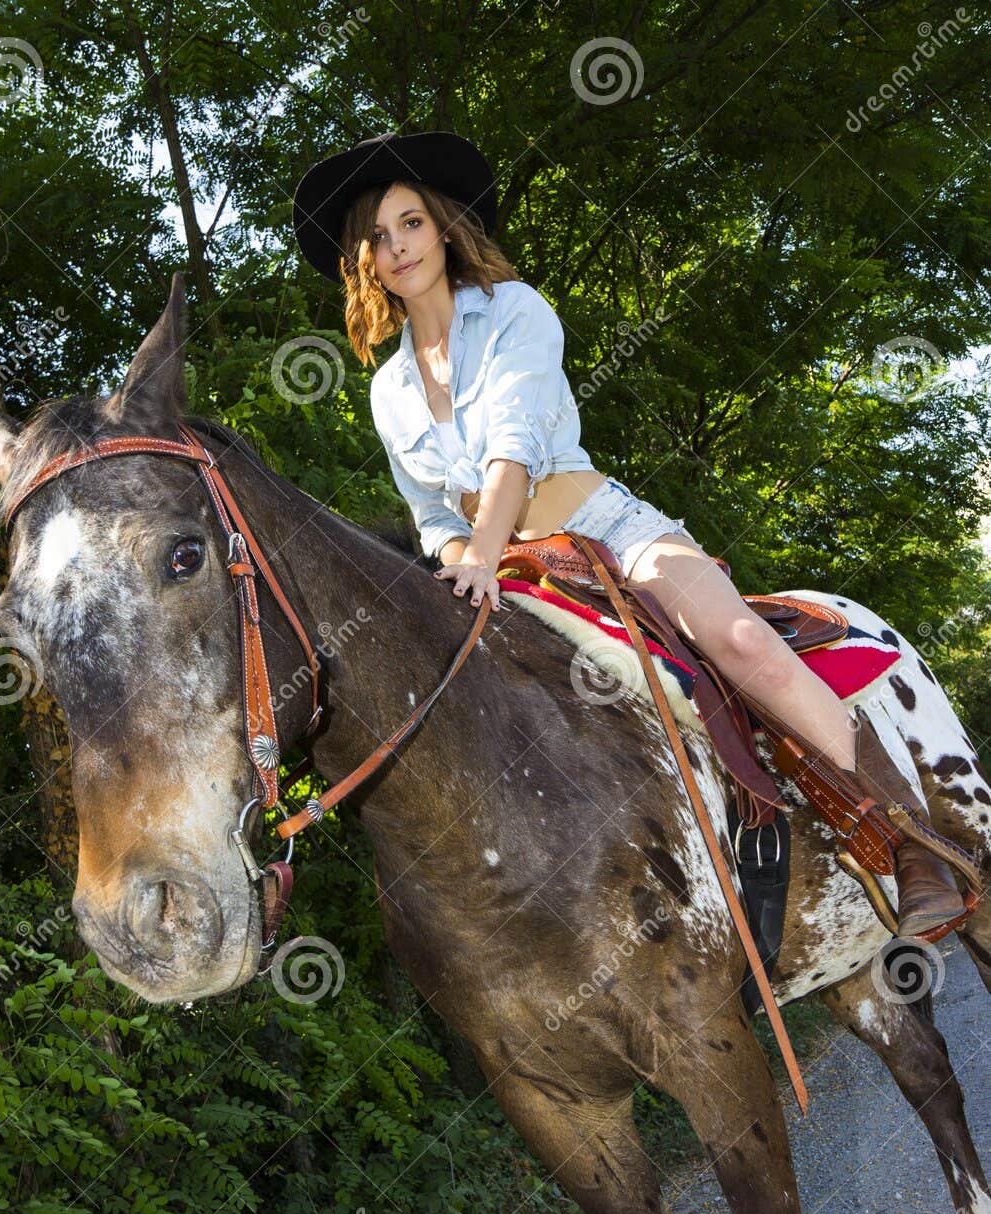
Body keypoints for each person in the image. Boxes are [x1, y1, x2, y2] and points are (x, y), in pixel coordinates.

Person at [292, 130, 967, 938]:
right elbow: (433, 517)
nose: (397, 246)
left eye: (410, 223)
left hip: (602, 530)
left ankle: (906, 842)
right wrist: (460, 561)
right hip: (506, 573)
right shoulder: (388, 389)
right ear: (361, 260)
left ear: (442, 227)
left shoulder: (513, 310)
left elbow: (513, 446)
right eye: (375, 236)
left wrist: (478, 555)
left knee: (743, 642)